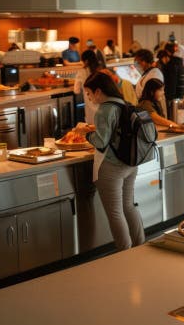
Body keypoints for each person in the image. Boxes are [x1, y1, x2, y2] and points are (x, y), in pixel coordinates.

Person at [75, 72, 144, 251]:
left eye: (89, 93)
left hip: (111, 168)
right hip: (130, 164)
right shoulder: (124, 104)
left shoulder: (104, 109)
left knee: (115, 213)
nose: (89, 98)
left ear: (98, 91)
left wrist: (85, 134)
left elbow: (100, 142)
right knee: (129, 207)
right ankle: (140, 246)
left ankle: (125, 252)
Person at [74, 50, 104, 124]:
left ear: (86, 61)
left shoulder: (82, 72)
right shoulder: (101, 70)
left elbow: (76, 90)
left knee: (92, 128)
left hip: (91, 109)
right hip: (103, 107)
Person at [133, 50, 165, 117]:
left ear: (144, 62)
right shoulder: (147, 73)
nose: (137, 65)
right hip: (146, 108)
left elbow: (156, 94)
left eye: (138, 62)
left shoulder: (155, 74)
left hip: (152, 109)